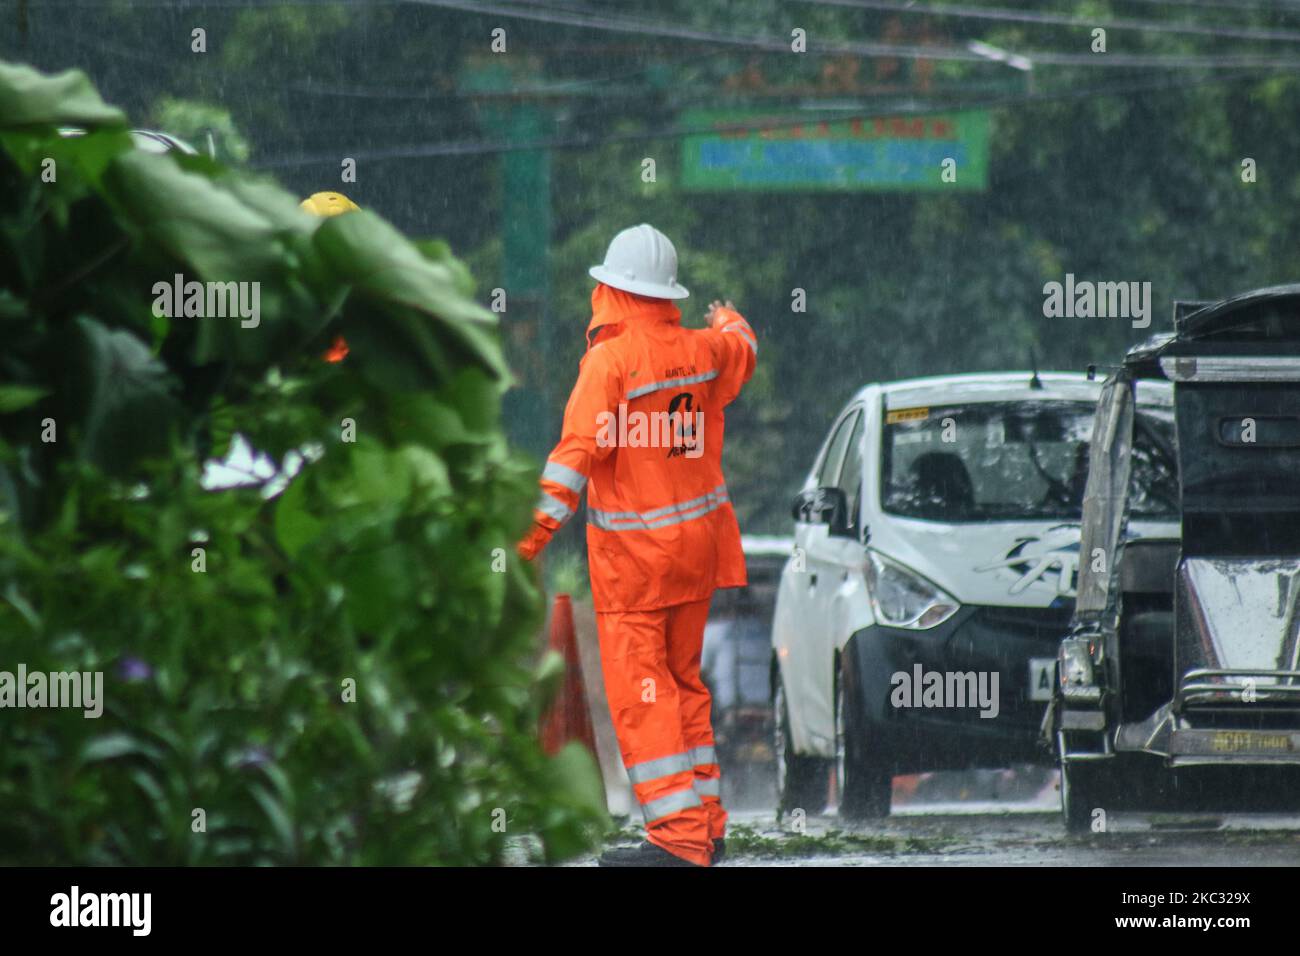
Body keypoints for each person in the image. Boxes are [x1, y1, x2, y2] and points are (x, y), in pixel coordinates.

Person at [517, 223, 758, 867]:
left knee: (644, 699)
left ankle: (678, 843)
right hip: (697, 556)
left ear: (611, 290)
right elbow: (742, 347)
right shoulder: (701, 349)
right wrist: (727, 315)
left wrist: (523, 542)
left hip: (638, 570)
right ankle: (705, 829)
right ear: (663, 292)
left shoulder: (610, 363)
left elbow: (573, 460)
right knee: (682, 688)